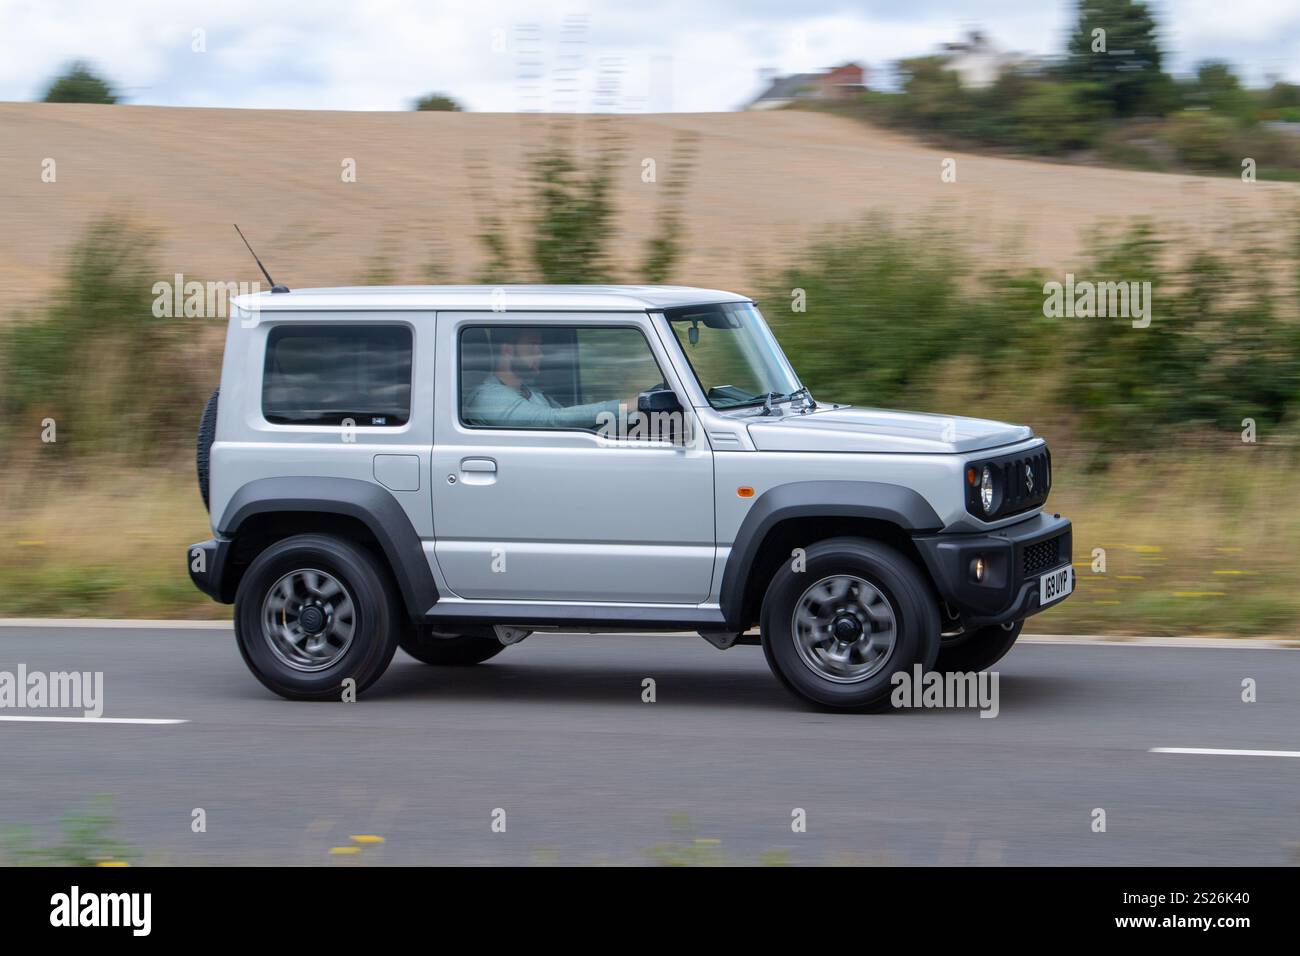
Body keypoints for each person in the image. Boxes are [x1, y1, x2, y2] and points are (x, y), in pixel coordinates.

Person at [464, 327, 645, 429]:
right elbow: (553, 419)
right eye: (533, 345)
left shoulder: (530, 393)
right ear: (507, 350)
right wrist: (627, 404)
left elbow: (576, 429)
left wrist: (636, 417)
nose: (540, 354)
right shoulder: (487, 397)